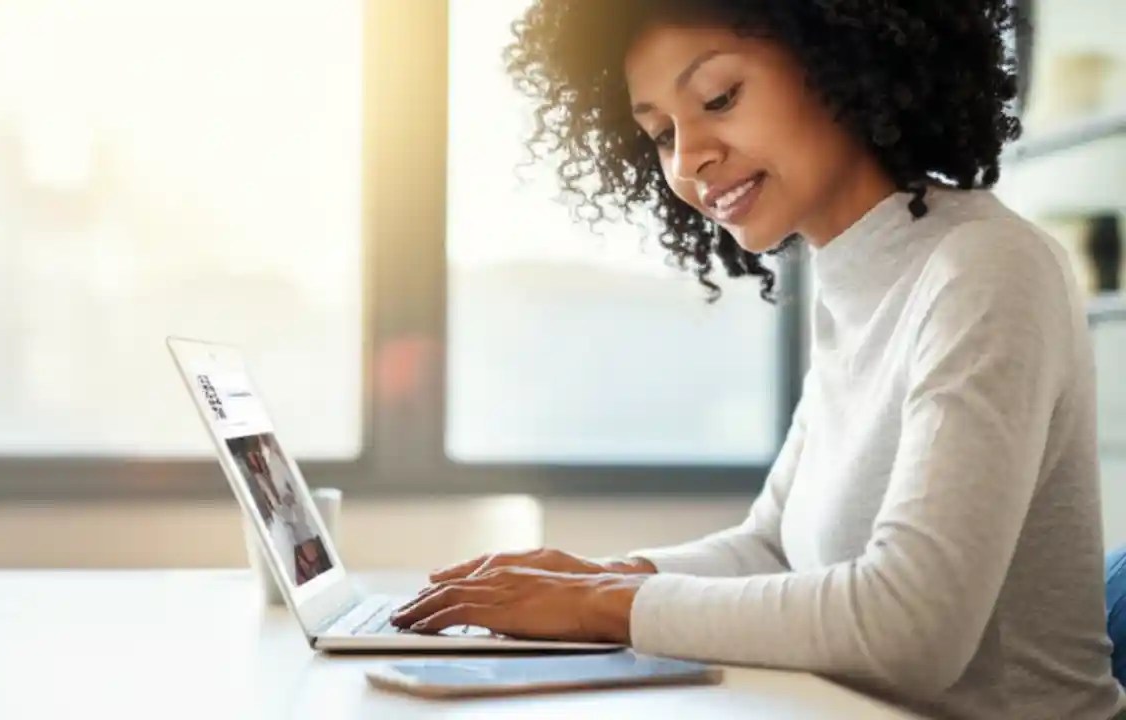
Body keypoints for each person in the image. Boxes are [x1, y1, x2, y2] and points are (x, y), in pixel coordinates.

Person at [389, 2, 1126, 718]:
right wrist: (605, 575)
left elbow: (914, 627)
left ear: (839, 56)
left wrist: (600, 606)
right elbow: (774, 547)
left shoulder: (986, 268)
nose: (689, 158)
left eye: (720, 96)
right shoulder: (854, 279)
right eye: (658, 133)